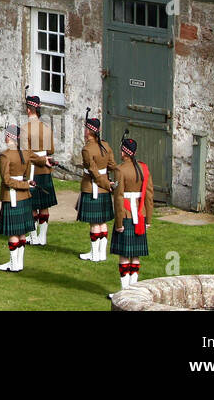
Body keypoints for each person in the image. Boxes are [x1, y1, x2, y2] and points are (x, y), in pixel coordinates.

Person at [111, 132, 153, 295]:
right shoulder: (144, 168)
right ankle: (133, 291)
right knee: (135, 255)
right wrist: (148, 219)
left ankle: (124, 291)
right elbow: (149, 195)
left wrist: (119, 222)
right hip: (140, 216)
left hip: (127, 215)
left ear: (125, 152)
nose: (120, 153)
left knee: (123, 255)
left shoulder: (120, 170)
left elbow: (119, 198)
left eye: (122, 150)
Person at [77, 110, 117, 263]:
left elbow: (93, 171)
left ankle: (95, 254)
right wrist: (109, 184)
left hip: (92, 187)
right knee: (102, 222)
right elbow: (112, 165)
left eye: (86, 128)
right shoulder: (106, 145)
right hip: (104, 188)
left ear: (89, 131)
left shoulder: (87, 149)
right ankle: (102, 254)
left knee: (94, 223)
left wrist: (106, 184)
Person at [0, 124, 36, 272]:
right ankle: (18, 263)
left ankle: (14, 265)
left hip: (12, 196)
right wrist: (25, 184)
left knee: (14, 232)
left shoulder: (6, 155)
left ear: (9, 136)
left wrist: (22, 184)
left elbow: (6, 180)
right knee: (21, 232)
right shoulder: (25, 153)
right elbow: (26, 174)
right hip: (24, 196)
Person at [20, 94, 57, 245]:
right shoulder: (46, 128)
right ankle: (42, 237)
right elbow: (51, 150)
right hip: (46, 170)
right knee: (44, 206)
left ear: (29, 110)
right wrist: (44, 158)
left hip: (33, 169)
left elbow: (25, 153)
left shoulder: (24, 129)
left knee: (33, 205)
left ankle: (34, 237)